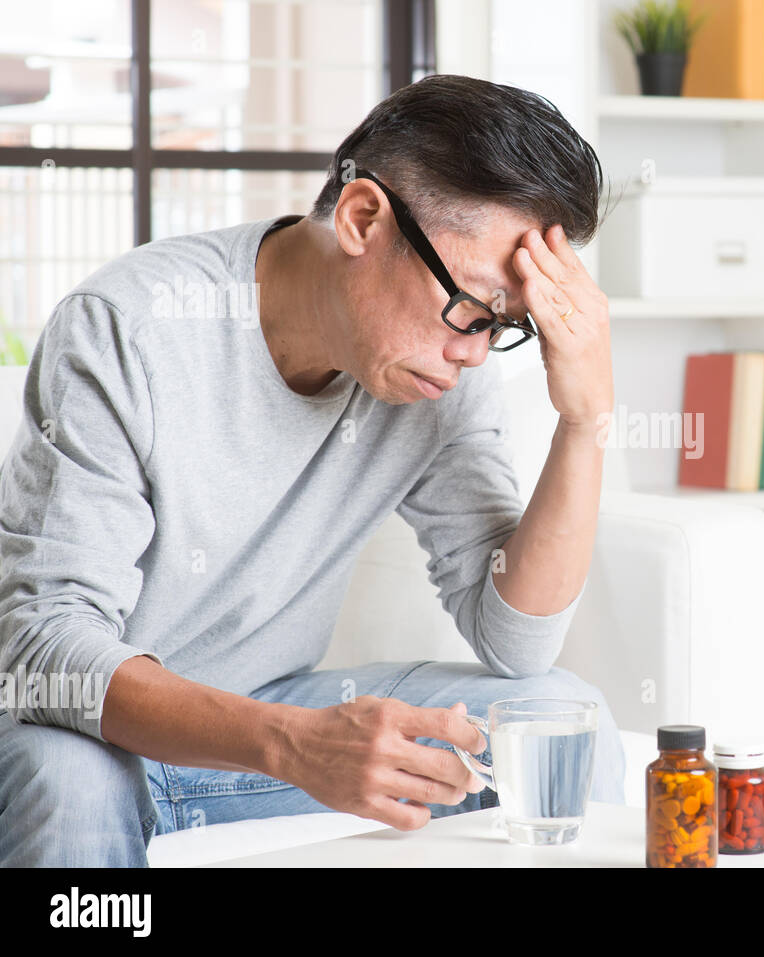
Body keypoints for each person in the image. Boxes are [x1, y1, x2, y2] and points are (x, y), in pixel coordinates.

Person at [0, 74, 624, 866]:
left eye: (506, 326)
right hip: (85, 737)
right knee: (69, 780)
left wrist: (586, 417)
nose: (474, 350)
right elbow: (46, 649)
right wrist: (293, 744)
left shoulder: (438, 379)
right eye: (471, 308)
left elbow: (517, 645)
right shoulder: (130, 330)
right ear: (364, 218)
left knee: (560, 713)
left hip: (261, 725)